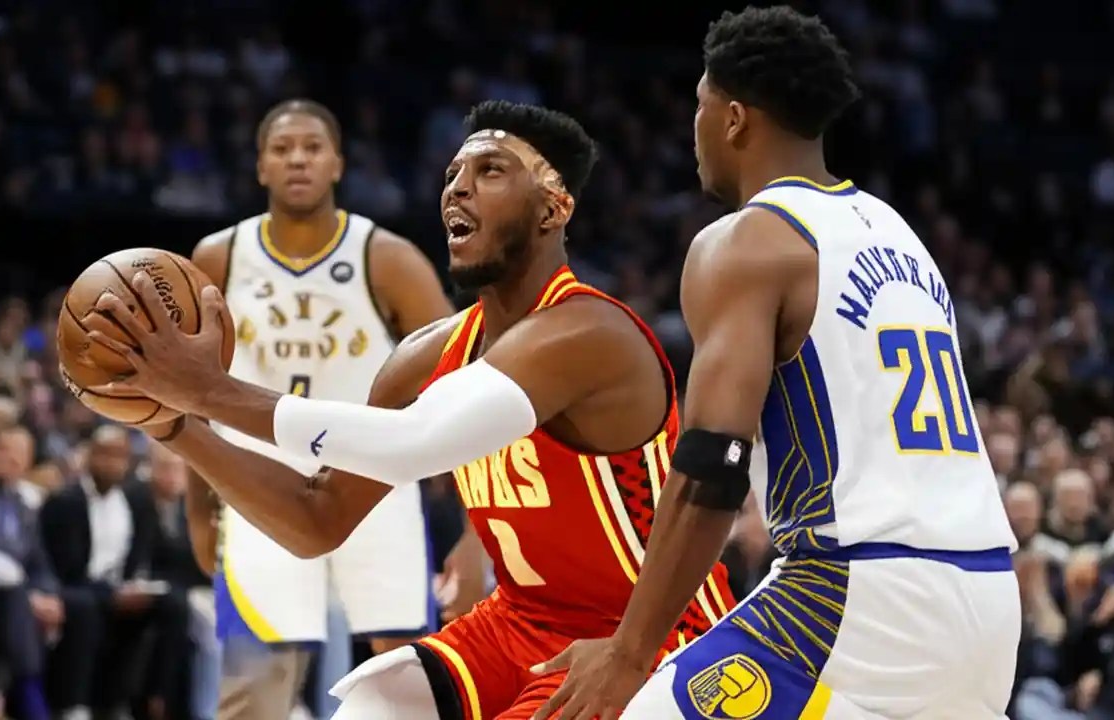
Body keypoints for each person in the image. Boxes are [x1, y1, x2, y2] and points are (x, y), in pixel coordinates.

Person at [83, 99, 735, 719]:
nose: (458, 188)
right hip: (521, 621)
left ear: (553, 208)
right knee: (373, 704)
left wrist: (207, 391)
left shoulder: (588, 333)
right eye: (453, 174)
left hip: (655, 634)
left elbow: (413, 442)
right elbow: (317, 519)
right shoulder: (423, 358)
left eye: (490, 171)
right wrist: (176, 425)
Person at [531, 6, 1021, 719]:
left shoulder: (746, 242)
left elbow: (712, 466)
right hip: (987, 600)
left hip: (860, 590)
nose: (692, 129)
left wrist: (629, 652)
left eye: (698, 106)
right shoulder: (899, 232)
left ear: (733, 119)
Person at [185, 98, 463, 719]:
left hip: (374, 487)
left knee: (407, 678)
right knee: (254, 688)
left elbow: (462, 386)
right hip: (255, 488)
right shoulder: (218, 258)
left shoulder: (387, 257)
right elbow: (189, 394)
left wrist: (473, 531)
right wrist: (198, 505)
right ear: (260, 166)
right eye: (282, 150)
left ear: (337, 162)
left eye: (312, 148)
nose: (298, 160)